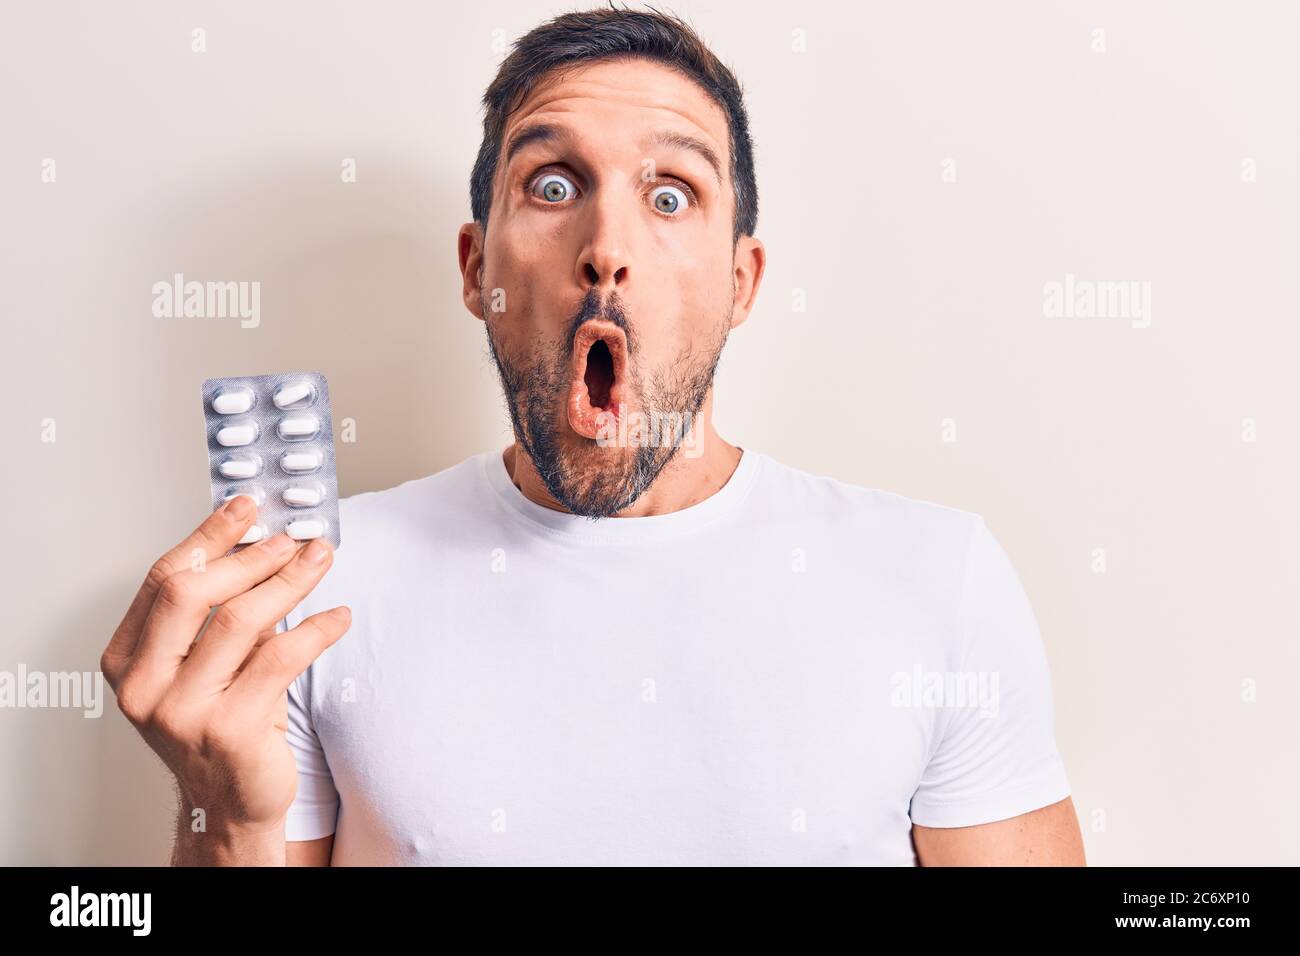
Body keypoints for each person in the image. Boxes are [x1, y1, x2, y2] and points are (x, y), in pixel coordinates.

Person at [101, 6, 1085, 866]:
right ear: (477, 266)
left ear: (740, 282)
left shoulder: (935, 576)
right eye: (553, 185)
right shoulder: (317, 592)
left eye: (670, 196)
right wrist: (222, 821)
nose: (607, 249)